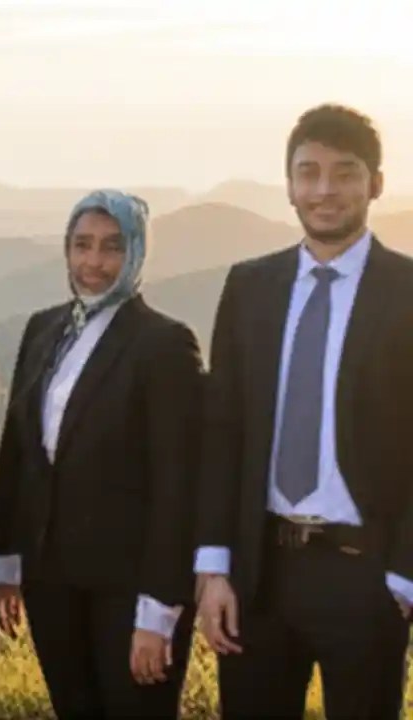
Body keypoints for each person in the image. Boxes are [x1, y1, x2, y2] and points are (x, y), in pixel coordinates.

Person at [195, 103, 413, 718]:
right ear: (289, 185)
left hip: (365, 577)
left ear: (375, 183)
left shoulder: (408, 292)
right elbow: (223, 433)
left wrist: (404, 576)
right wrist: (214, 567)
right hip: (259, 575)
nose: (324, 190)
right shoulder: (249, 287)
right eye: (308, 172)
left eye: (344, 172)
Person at [0, 189, 204, 718]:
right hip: (50, 579)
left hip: (129, 589)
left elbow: (179, 486)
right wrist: (5, 562)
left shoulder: (165, 344)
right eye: (81, 245)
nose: (93, 262)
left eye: (111, 247)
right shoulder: (44, 330)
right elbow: (19, 451)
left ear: (135, 253)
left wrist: (158, 612)